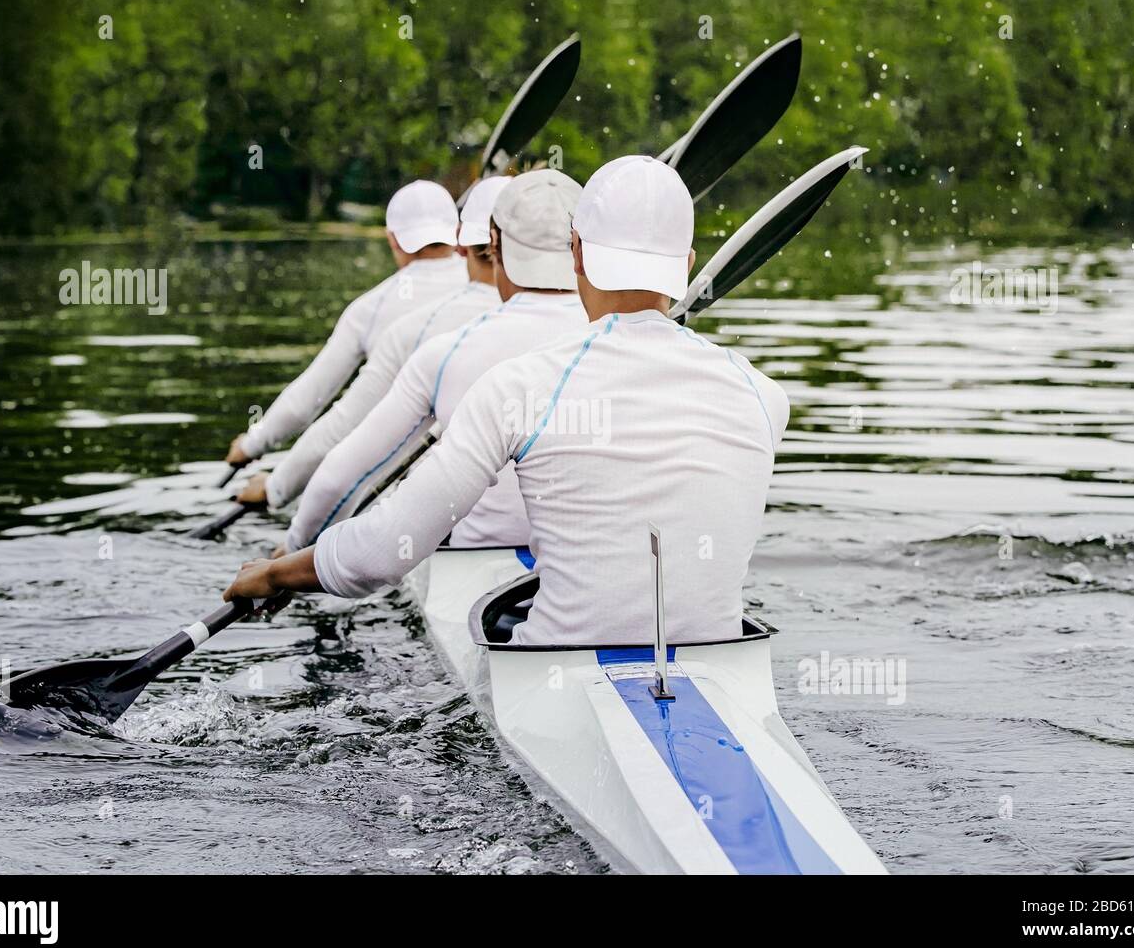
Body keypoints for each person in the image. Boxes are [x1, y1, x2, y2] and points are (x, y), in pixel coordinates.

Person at [224, 155, 789, 647]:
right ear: (688, 264)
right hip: (722, 659)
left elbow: (379, 556)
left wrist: (279, 573)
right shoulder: (765, 396)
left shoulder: (516, 386)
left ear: (578, 253)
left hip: (549, 666)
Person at [279, 168, 589, 553]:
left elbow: (334, 479)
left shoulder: (445, 351)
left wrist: (292, 555)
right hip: (590, 565)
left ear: (492, 245)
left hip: (474, 562)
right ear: (580, 247)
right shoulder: (624, 335)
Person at [235, 177, 510, 510]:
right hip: (495, 484)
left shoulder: (372, 309)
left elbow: (314, 404)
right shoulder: (502, 285)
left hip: (413, 494)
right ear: (457, 235)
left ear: (392, 239)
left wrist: (258, 455)